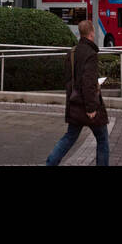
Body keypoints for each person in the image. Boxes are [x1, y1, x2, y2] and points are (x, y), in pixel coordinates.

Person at [45, 19, 110, 166]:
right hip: (87, 104)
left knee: (69, 137)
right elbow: (88, 83)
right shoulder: (91, 54)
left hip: (74, 104)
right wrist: (91, 108)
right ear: (91, 33)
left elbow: (69, 80)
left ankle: (50, 163)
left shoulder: (72, 52)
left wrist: (72, 99)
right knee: (102, 140)